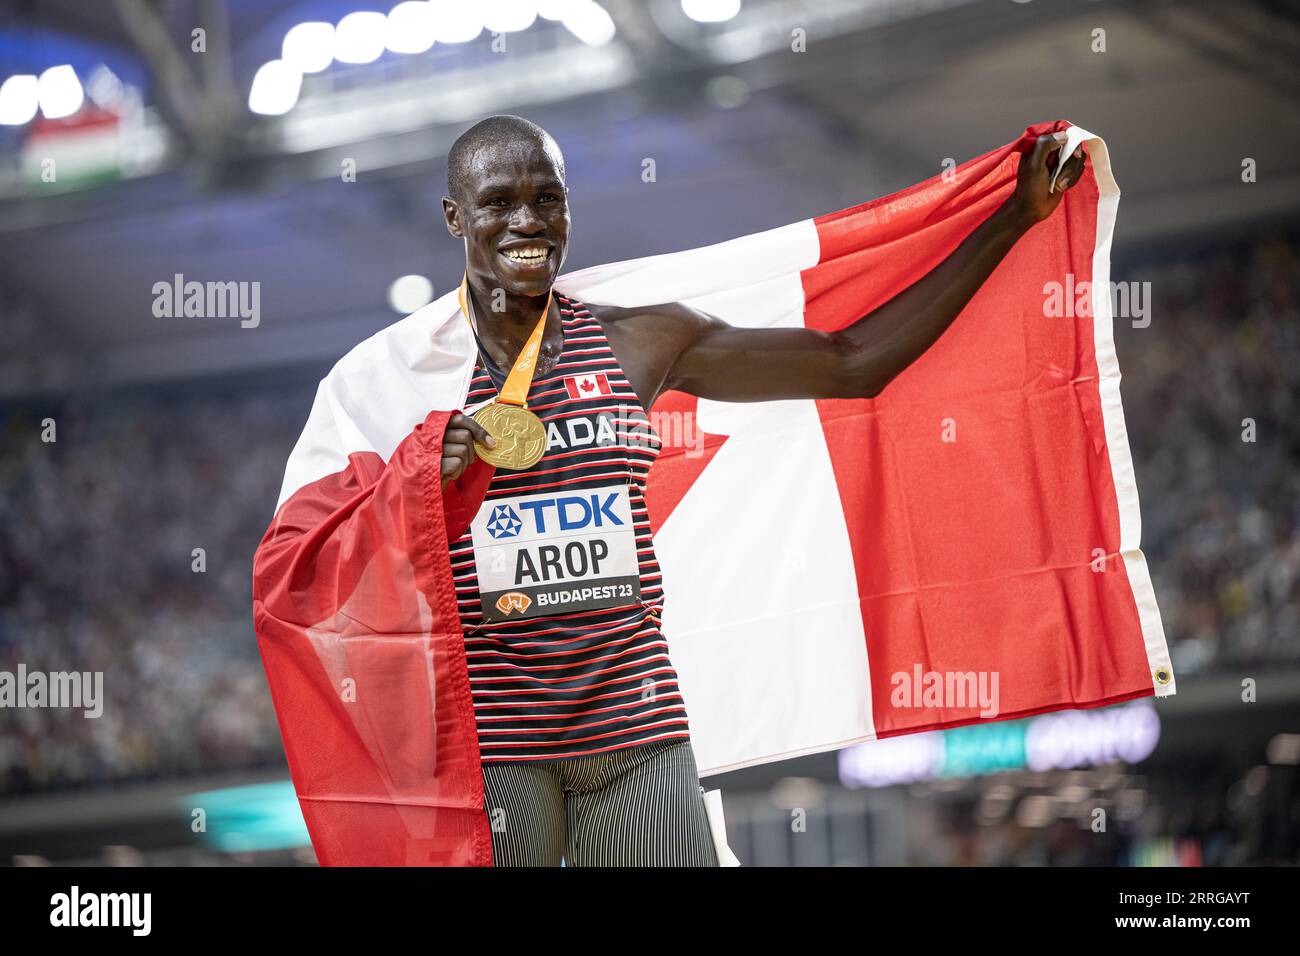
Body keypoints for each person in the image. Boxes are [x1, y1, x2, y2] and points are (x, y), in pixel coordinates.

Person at [437, 114, 1086, 866]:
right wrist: (419, 471)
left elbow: (851, 363)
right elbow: (329, 549)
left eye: (547, 200)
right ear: (455, 216)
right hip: (499, 736)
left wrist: (1010, 220)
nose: (527, 222)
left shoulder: (636, 343)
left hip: (636, 724)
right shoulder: (408, 380)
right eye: (497, 203)